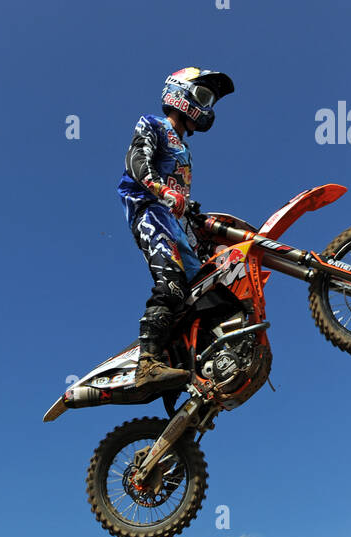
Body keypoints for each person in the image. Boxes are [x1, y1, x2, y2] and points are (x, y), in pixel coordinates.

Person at [118, 67, 234, 389]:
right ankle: (147, 363)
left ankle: (204, 359)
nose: (207, 105)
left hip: (175, 222)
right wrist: (161, 189)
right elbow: (137, 159)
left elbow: (183, 199)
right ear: (179, 92)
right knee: (171, 283)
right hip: (149, 212)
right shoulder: (152, 124)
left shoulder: (184, 149)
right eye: (203, 95)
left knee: (205, 288)